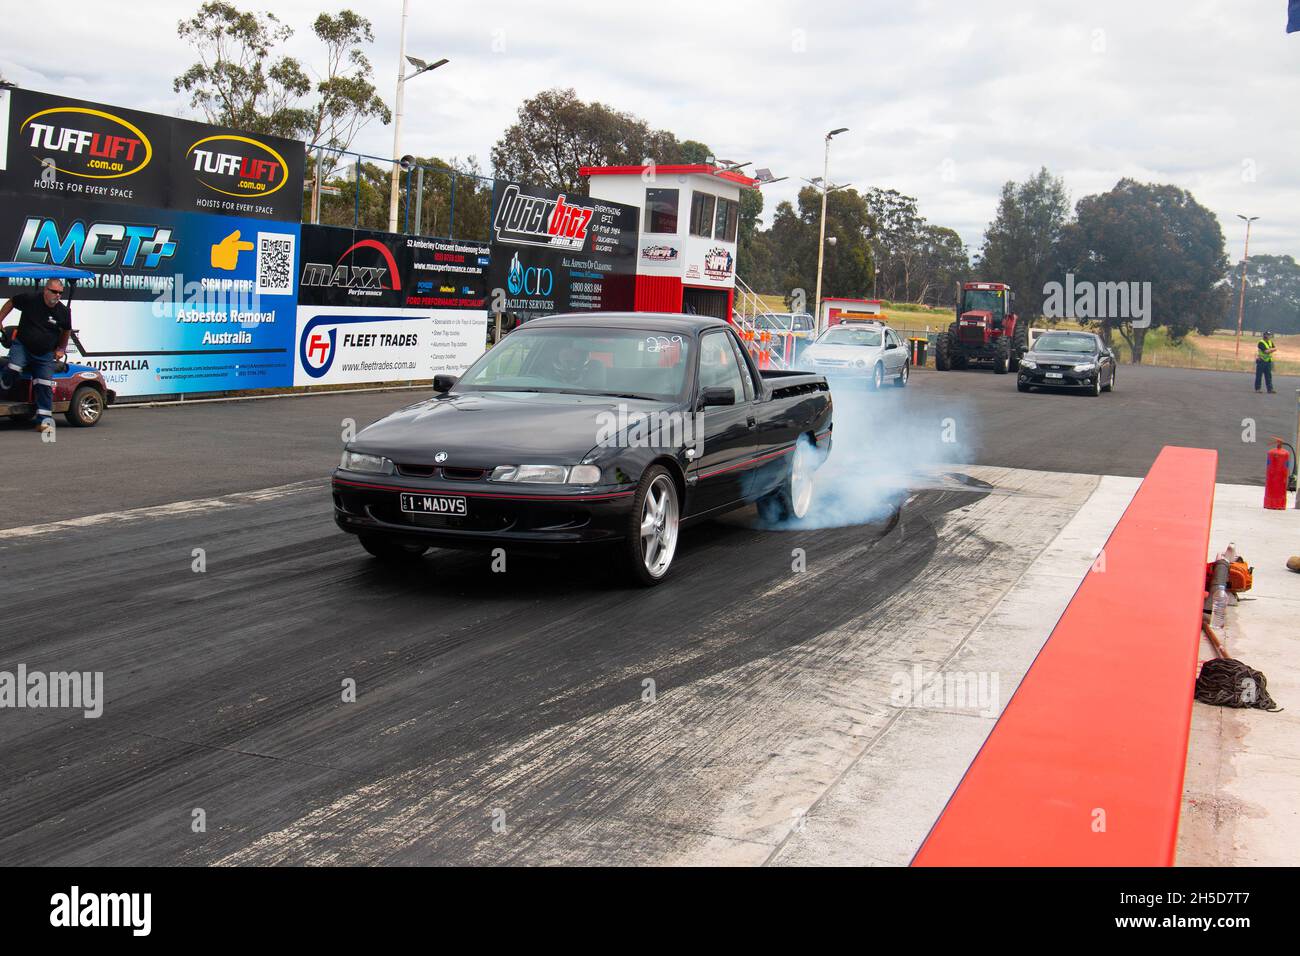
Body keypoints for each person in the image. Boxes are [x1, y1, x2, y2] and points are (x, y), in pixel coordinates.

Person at [0, 279, 72, 433]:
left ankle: (44, 422)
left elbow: (66, 330)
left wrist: (61, 349)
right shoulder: (31, 299)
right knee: (14, 367)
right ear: (46, 290)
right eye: (54, 291)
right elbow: (11, 302)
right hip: (23, 346)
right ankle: (4, 385)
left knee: (45, 385)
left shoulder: (63, 311)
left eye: (60, 293)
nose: (57, 295)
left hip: (44, 354)